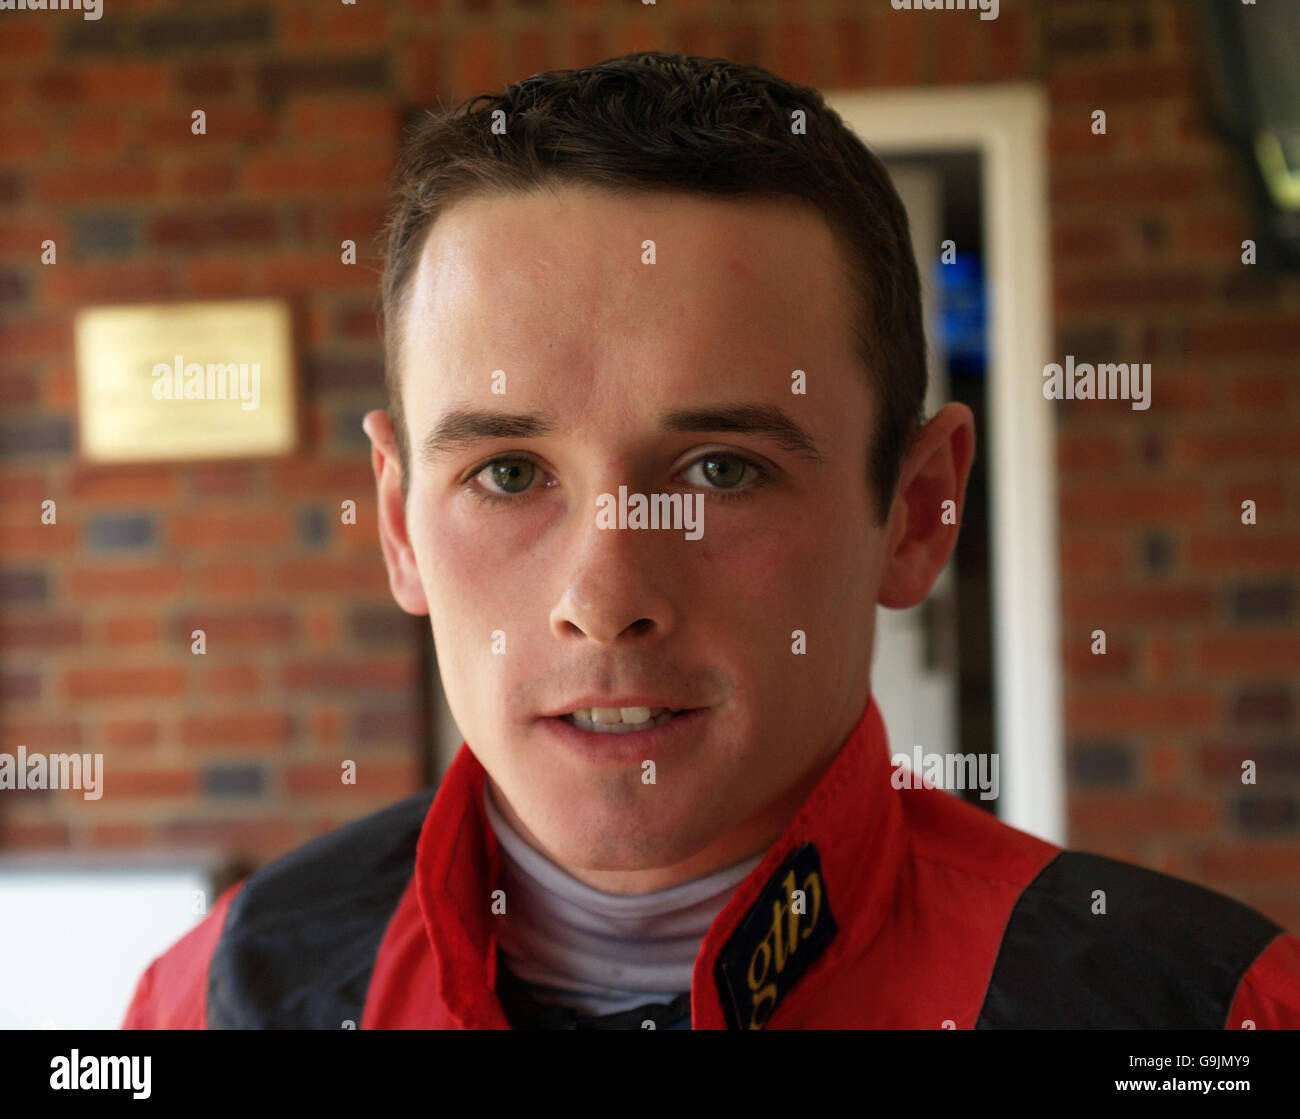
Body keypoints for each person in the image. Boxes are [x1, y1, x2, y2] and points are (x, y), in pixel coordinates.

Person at [122, 51, 1300, 1030]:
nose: (604, 595)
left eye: (721, 471)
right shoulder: (216, 997)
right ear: (398, 522)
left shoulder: (1200, 1014)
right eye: (509, 473)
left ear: (918, 512)